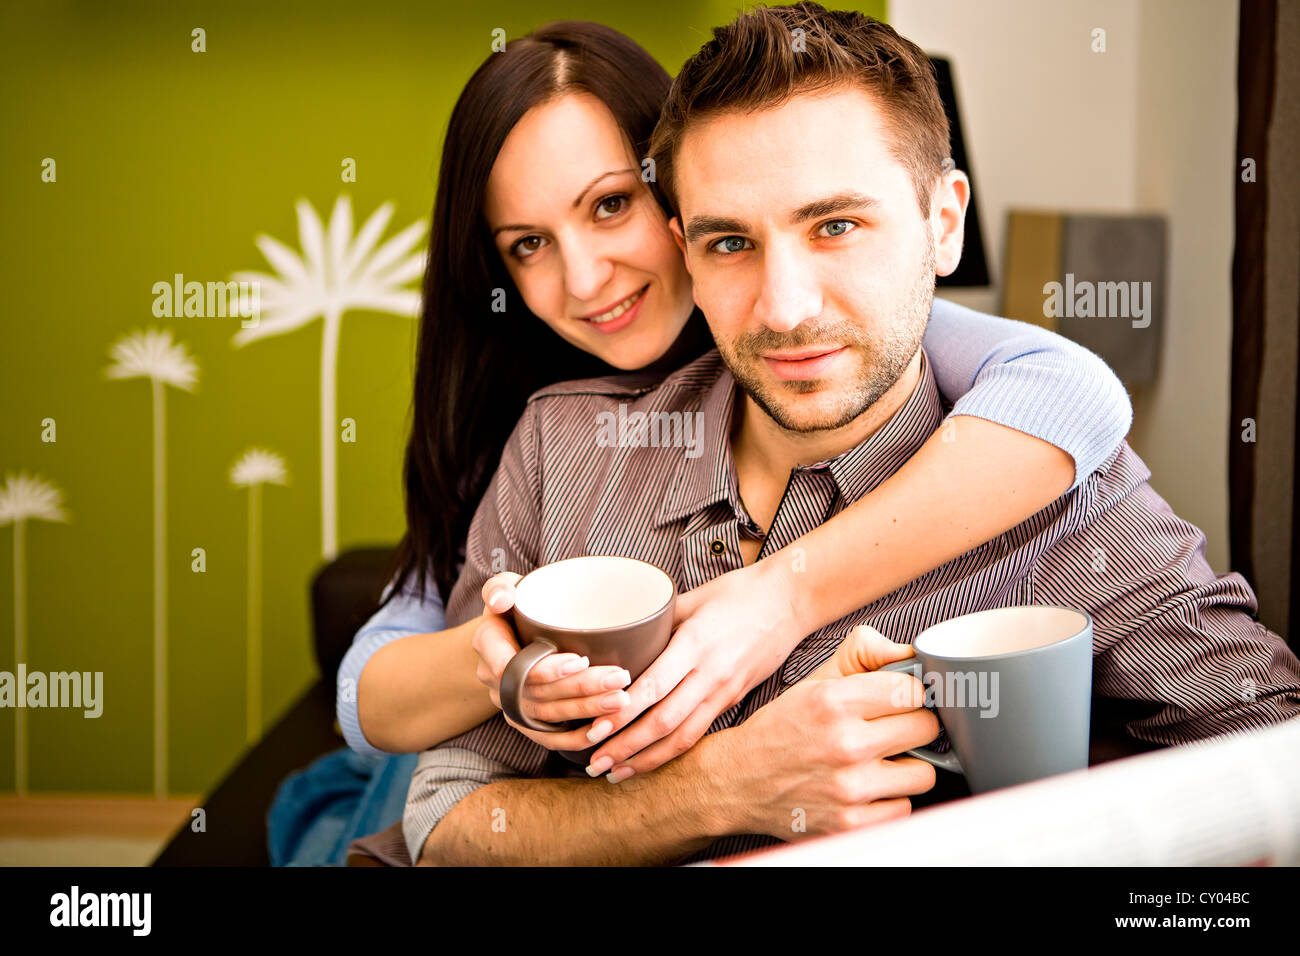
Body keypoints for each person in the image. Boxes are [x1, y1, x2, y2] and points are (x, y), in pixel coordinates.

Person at [397, 2, 1300, 867]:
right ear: (683, 247)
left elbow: (1270, 760)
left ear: (941, 224)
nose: (785, 310)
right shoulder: (563, 450)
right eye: (728, 244)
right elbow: (447, 820)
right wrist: (715, 792)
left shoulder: (1067, 499)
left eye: (836, 226)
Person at [333, 18, 1132, 784]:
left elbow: (1071, 391)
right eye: (528, 244)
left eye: (611, 205)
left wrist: (785, 592)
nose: (583, 279)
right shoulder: (539, 425)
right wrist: (521, 653)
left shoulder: (842, 333)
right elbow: (375, 704)